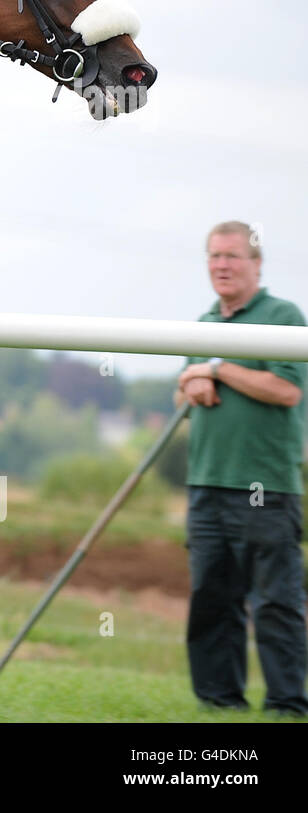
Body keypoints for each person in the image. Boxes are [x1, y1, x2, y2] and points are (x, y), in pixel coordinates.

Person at [174, 221, 308, 715]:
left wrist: (216, 369)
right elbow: (183, 388)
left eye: (232, 256)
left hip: (264, 487)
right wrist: (192, 381)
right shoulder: (205, 322)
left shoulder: (283, 315)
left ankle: (288, 704)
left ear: (256, 264)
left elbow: (288, 390)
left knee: (275, 602)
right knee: (212, 598)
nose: (222, 265)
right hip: (206, 484)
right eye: (214, 256)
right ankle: (219, 701)